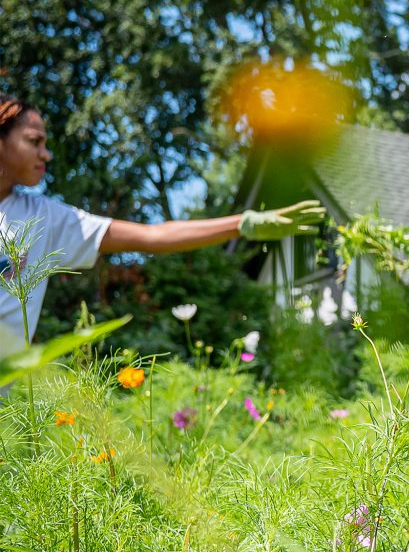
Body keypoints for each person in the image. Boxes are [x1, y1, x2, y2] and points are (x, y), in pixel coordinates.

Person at [0, 93, 325, 357]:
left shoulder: (44, 218)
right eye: (34, 141)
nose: (47, 154)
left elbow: (152, 235)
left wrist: (242, 223)